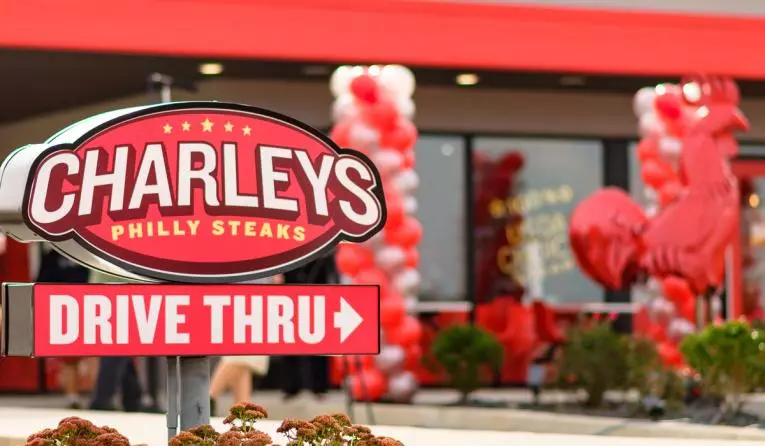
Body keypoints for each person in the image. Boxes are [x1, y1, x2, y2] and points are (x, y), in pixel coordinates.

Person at [35, 244, 95, 409]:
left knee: (96, 355)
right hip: (64, 309)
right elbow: (41, 283)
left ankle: (97, 395)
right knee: (70, 356)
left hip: (92, 306)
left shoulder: (90, 252)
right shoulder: (54, 256)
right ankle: (73, 397)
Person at [209, 276, 276, 415]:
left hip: (247, 292)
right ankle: (208, 398)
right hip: (247, 294)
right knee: (243, 352)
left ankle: (242, 410)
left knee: (245, 361)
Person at [280, 251, 338, 400]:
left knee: (319, 340)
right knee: (289, 339)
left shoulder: (325, 249)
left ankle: (319, 386)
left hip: (318, 293)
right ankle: (291, 385)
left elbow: (331, 266)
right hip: (291, 292)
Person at [87, 269, 147, 412]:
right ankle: (102, 398)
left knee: (122, 347)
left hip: (110, 291)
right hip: (113, 292)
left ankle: (132, 397)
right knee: (117, 348)